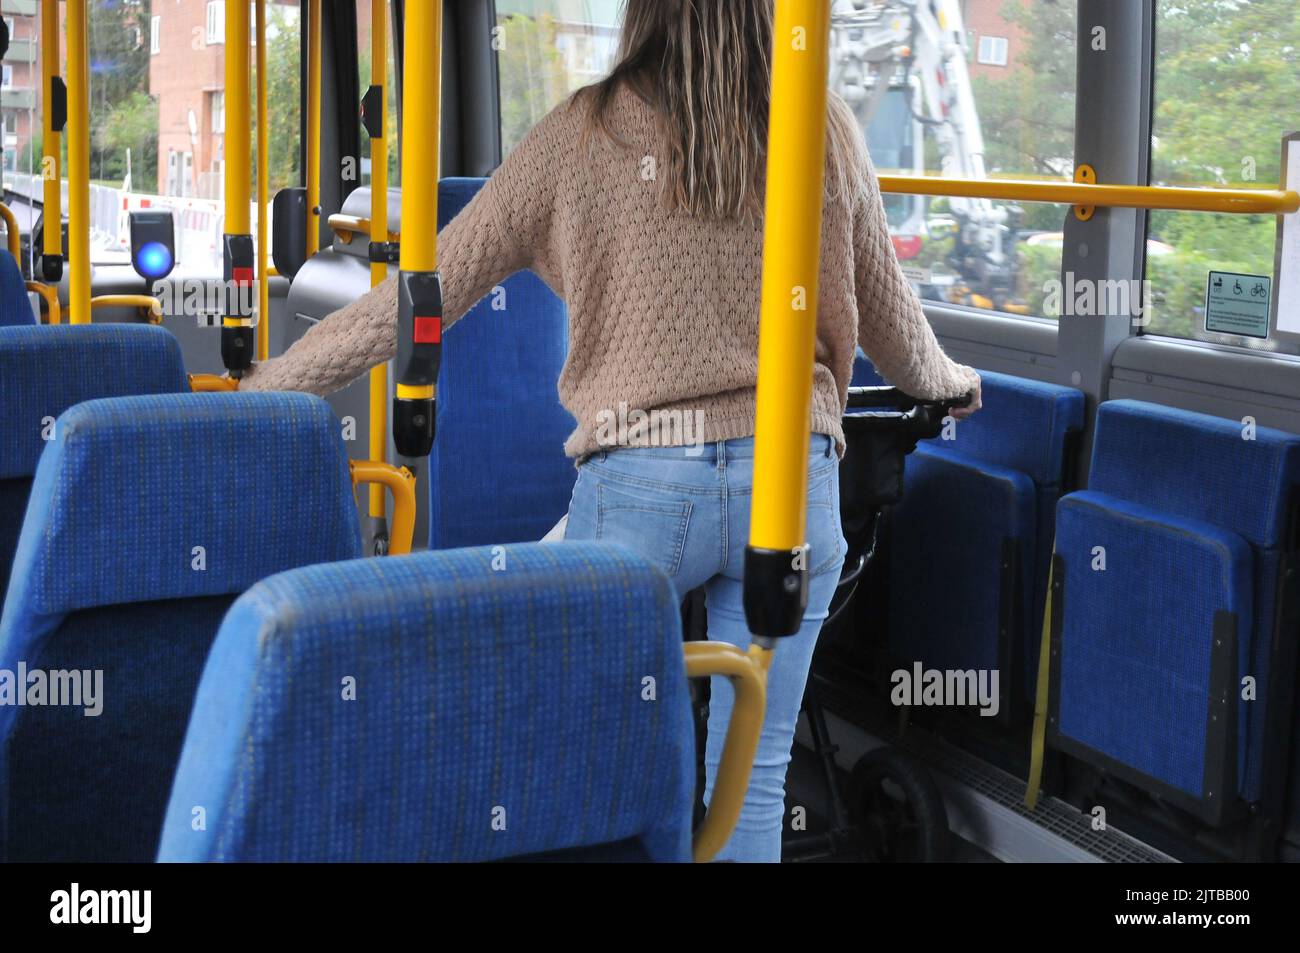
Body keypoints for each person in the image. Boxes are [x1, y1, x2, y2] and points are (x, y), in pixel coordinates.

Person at [241, 0, 981, 862]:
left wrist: (263, 386)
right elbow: (893, 320)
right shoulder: (821, 125)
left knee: (581, 751)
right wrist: (951, 383)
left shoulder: (578, 136)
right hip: (790, 485)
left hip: (642, 491)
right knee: (757, 773)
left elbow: (418, 298)